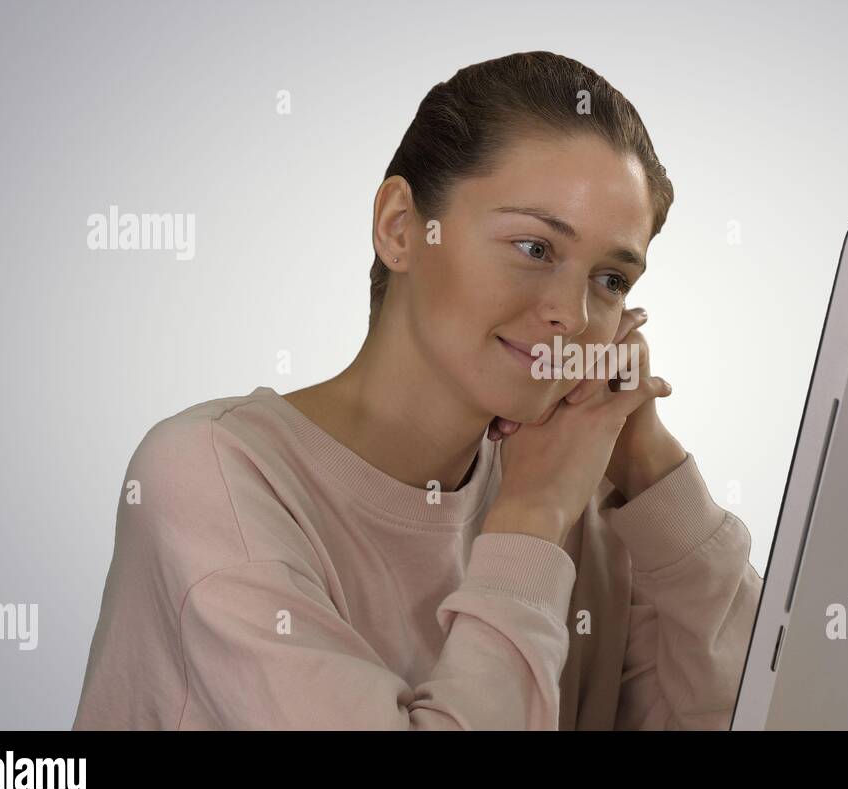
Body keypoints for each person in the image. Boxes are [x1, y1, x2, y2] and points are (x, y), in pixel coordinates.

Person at [73, 50, 762, 730]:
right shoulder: (212, 475)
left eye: (610, 279)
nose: (574, 316)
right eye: (535, 248)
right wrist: (529, 519)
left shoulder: (579, 493)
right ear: (400, 227)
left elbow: (765, 714)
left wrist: (648, 465)